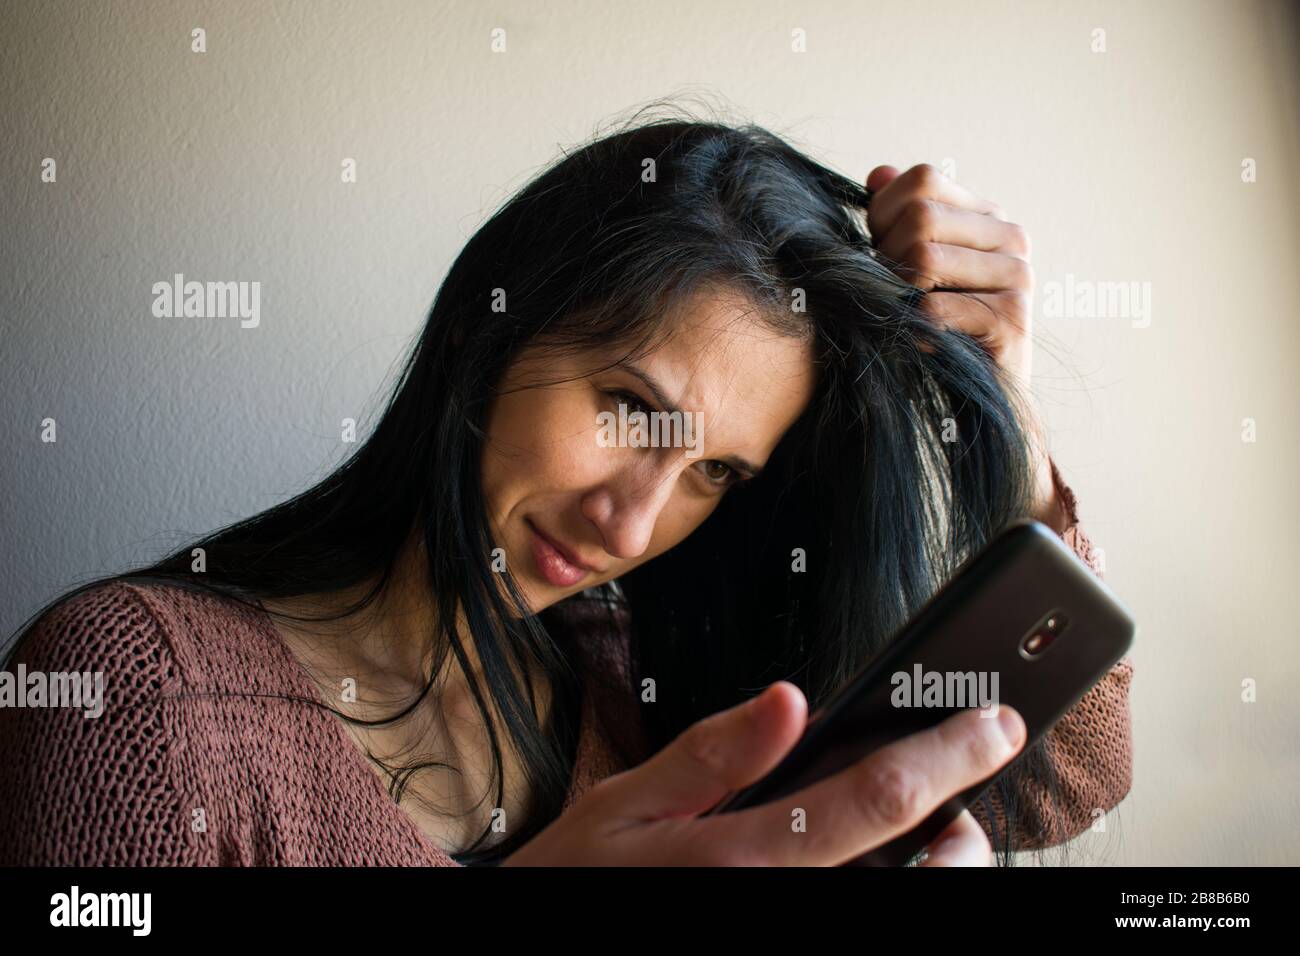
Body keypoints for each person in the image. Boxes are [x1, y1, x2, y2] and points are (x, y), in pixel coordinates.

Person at [0, 113, 1132, 867]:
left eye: (714, 473)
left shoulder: (645, 679)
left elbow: (1061, 779)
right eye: (632, 409)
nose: (632, 522)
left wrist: (1003, 416)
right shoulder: (131, 693)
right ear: (489, 332)